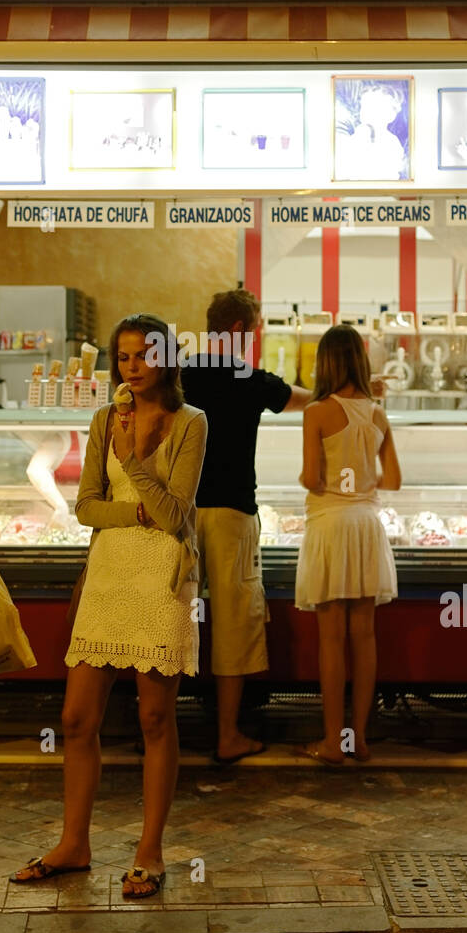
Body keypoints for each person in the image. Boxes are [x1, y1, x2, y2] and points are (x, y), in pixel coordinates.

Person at [11, 314, 207, 900]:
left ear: (166, 358)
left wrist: (136, 462)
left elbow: (177, 516)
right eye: (123, 358)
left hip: (163, 577)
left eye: (143, 355)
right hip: (108, 572)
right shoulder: (103, 419)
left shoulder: (191, 422)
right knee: (76, 719)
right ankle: (75, 844)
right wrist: (137, 506)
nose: (132, 366)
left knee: (153, 718)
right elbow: (88, 509)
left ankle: (149, 851)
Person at [180, 289, 311, 764]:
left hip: (180, 514)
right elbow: (306, 402)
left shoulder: (180, 373)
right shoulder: (251, 378)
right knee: (234, 622)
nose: (255, 339)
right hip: (233, 514)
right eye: (255, 330)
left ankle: (161, 727)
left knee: (175, 617)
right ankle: (228, 734)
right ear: (238, 330)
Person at [295, 324, 401, 765]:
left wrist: (330, 479)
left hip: (331, 526)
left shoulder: (317, 412)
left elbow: (311, 478)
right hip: (366, 526)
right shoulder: (377, 414)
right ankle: (359, 738)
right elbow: (393, 480)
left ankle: (331, 742)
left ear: (325, 363)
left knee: (331, 640)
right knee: (365, 635)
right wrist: (360, 482)